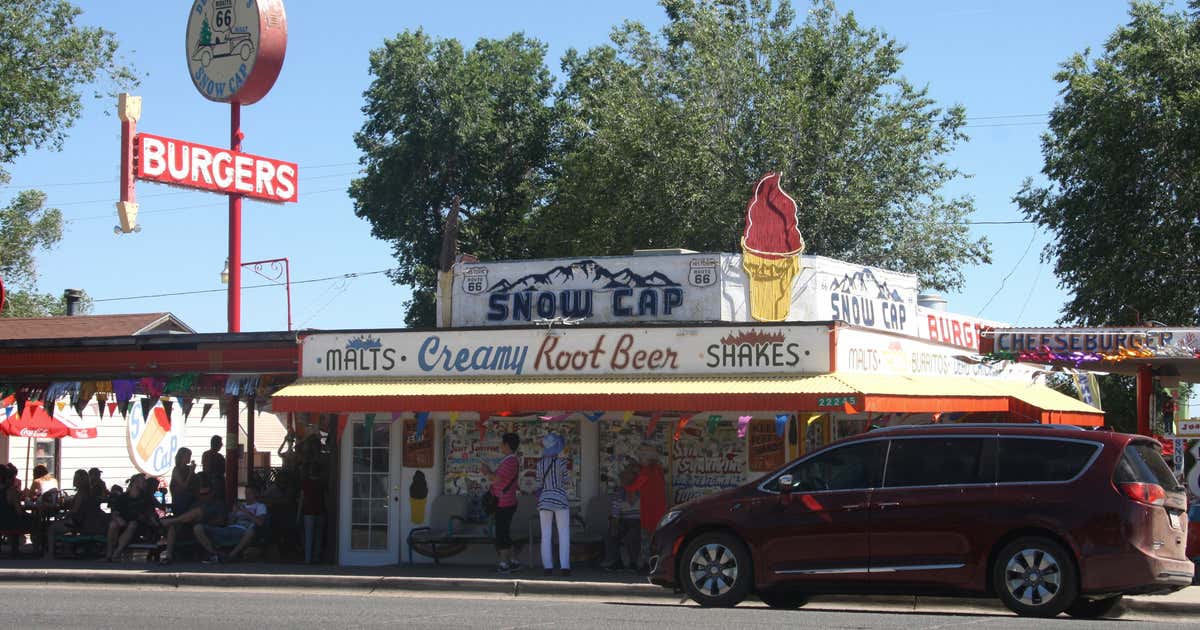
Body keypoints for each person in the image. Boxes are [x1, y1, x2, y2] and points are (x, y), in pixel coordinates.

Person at [158, 473, 224, 564]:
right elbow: (183, 514)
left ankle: (170, 521)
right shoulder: (195, 502)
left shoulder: (217, 504)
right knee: (173, 526)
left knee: (197, 512)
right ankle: (168, 556)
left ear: (212, 493)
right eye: (201, 494)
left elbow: (221, 520)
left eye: (206, 494)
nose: (203, 496)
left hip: (205, 527)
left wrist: (205, 522)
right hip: (189, 526)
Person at [193, 485, 267, 563]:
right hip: (229, 530)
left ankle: (230, 556)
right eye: (245, 493)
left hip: (244, 531)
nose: (246, 495)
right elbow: (229, 524)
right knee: (198, 528)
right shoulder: (241, 506)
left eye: (249, 493)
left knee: (251, 530)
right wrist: (234, 513)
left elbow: (260, 522)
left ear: (255, 494)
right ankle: (215, 554)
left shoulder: (260, 506)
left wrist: (246, 512)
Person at [481, 432, 521, 574]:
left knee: (501, 533)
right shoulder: (509, 460)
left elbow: (497, 479)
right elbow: (502, 479)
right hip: (505, 501)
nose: (500, 446)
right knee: (503, 532)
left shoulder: (510, 461)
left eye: (502, 444)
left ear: (507, 445)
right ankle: (513, 561)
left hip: (504, 502)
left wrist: (487, 472)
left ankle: (505, 563)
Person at [44, 469, 108, 559]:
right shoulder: (88, 492)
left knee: (51, 528)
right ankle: (67, 550)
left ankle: (51, 553)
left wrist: (63, 514)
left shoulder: (81, 493)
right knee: (59, 525)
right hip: (84, 520)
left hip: (77, 522)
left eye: (76, 478)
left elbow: (75, 511)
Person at [625, 446, 666, 572]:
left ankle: (644, 566)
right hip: (660, 513)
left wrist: (625, 483)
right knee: (658, 541)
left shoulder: (645, 473)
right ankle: (659, 565)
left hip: (648, 513)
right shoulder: (659, 471)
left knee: (646, 542)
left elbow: (633, 487)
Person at [535, 432, 571, 577]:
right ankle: (564, 566)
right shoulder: (562, 463)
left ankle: (547, 567)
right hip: (560, 499)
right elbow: (567, 481)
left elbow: (538, 483)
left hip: (544, 499)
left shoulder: (539, 464)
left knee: (546, 534)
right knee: (563, 532)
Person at [105, 474, 160, 562]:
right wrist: (118, 519)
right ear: (136, 482)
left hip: (139, 527)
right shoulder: (123, 497)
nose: (145, 483)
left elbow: (150, 513)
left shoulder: (146, 498)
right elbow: (115, 512)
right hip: (123, 525)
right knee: (113, 524)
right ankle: (109, 554)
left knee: (132, 524)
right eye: (143, 481)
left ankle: (117, 553)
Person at [601, 464, 642, 571]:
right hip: (624, 521)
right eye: (622, 477)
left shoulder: (641, 491)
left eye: (625, 476)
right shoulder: (619, 493)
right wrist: (614, 524)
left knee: (631, 536)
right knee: (610, 534)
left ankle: (634, 563)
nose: (622, 479)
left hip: (639, 522)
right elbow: (615, 512)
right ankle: (616, 561)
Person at [297, 462, 326, 564]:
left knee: (309, 536)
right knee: (318, 536)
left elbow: (301, 498)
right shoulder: (322, 483)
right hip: (321, 511)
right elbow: (326, 498)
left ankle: (307, 558)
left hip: (308, 511)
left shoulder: (305, 482)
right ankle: (317, 557)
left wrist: (298, 513)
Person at [0, 465, 33, 554]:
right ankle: (37, 548)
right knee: (36, 521)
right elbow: (18, 510)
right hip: (10, 521)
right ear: (8, 479)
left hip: (3, 520)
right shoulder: (11, 491)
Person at [170, 448, 198, 515]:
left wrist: (193, 471)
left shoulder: (188, 468)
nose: (189, 458)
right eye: (188, 456)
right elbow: (184, 486)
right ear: (181, 457)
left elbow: (195, 483)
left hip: (191, 500)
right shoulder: (176, 470)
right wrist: (191, 472)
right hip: (180, 501)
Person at [202, 435, 226, 500]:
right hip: (215, 484)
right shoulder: (216, 456)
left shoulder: (206, 454)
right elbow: (207, 470)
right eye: (220, 443)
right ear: (216, 444)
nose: (222, 445)